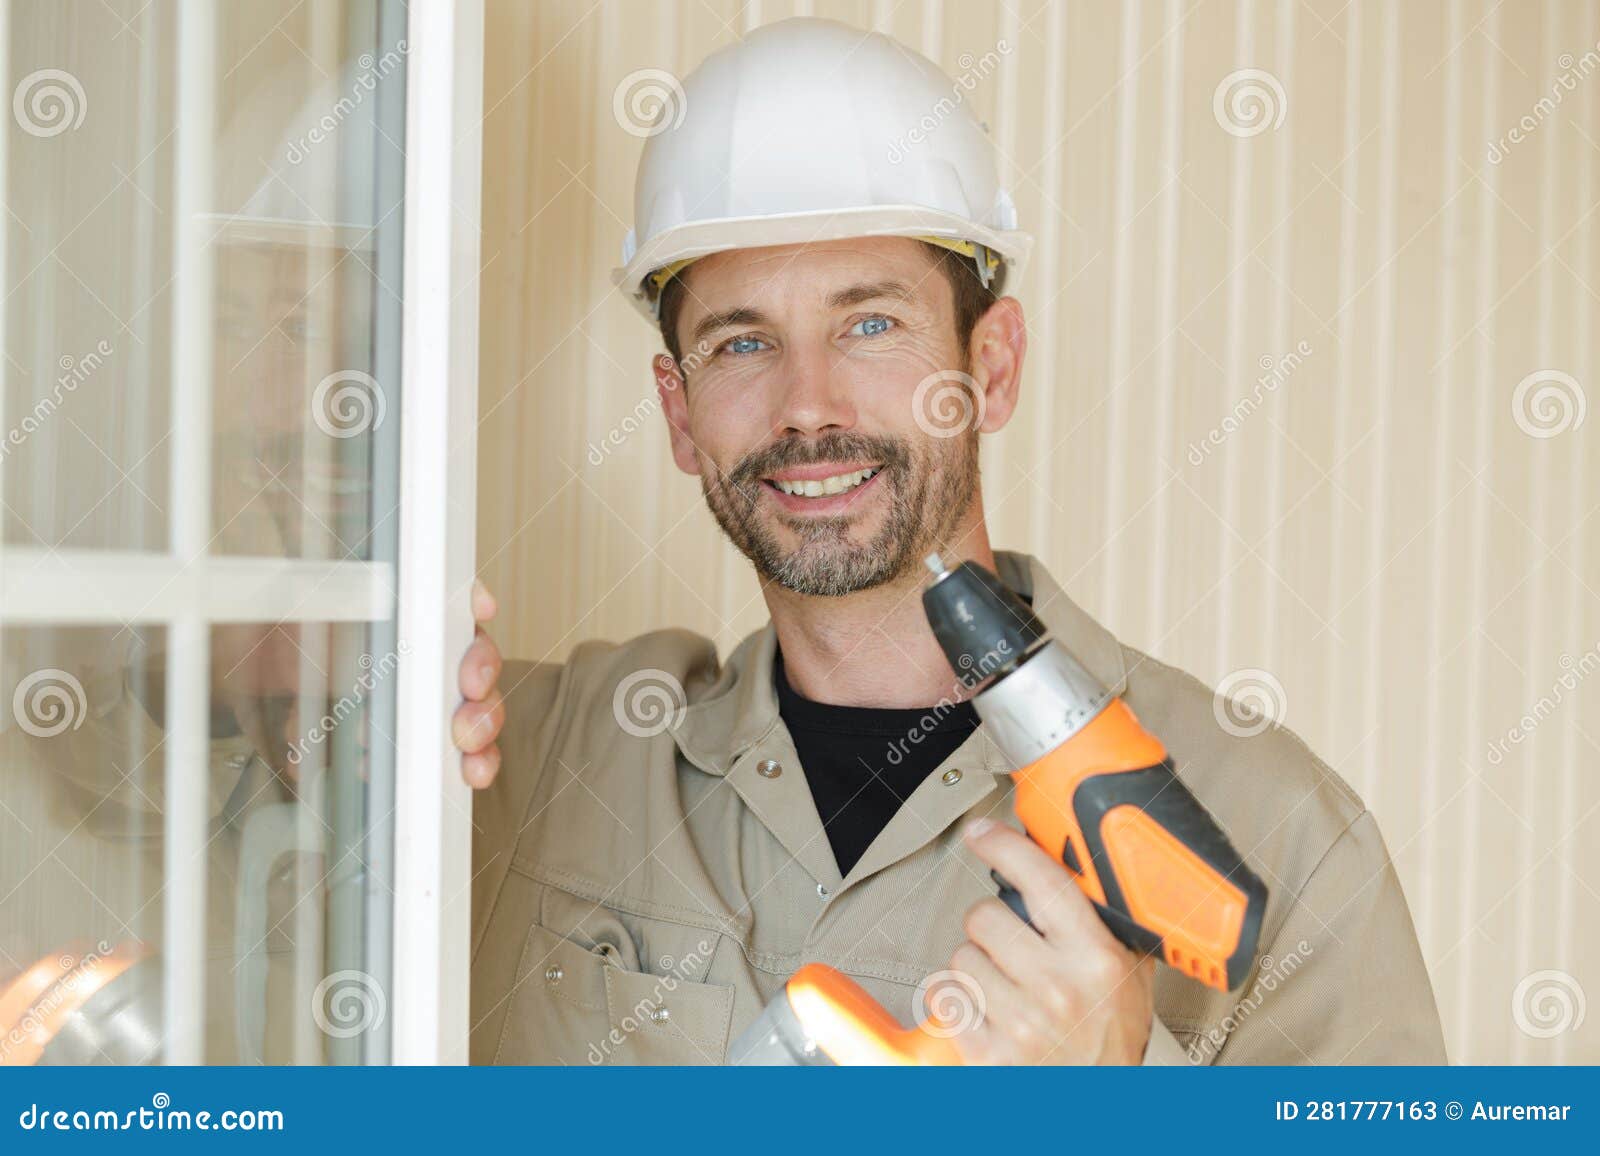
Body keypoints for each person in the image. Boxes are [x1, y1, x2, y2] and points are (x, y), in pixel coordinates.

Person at [452, 17, 1446, 1065]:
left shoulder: (1277, 834)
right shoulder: (539, 758)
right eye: (741, 341)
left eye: (869, 323)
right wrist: (369, 651)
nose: (806, 404)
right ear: (679, 410)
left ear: (992, 366)